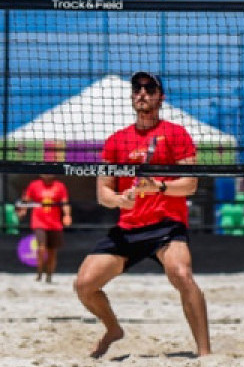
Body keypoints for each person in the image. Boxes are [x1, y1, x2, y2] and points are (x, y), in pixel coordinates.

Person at [73, 71, 211, 358]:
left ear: (161, 97)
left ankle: (205, 353)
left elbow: (190, 184)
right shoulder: (116, 141)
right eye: (137, 88)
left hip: (166, 226)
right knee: (84, 285)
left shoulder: (176, 134)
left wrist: (158, 186)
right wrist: (120, 200)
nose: (142, 93)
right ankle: (113, 329)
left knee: (182, 275)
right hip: (129, 228)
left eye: (149, 88)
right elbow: (103, 193)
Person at [17, 174, 72, 283]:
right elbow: (26, 200)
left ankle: (49, 275)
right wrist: (22, 210)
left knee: (52, 251)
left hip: (54, 223)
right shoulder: (34, 185)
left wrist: (67, 215)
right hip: (39, 221)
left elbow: (65, 203)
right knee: (41, 248)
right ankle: (39, 272)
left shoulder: (59, 186)